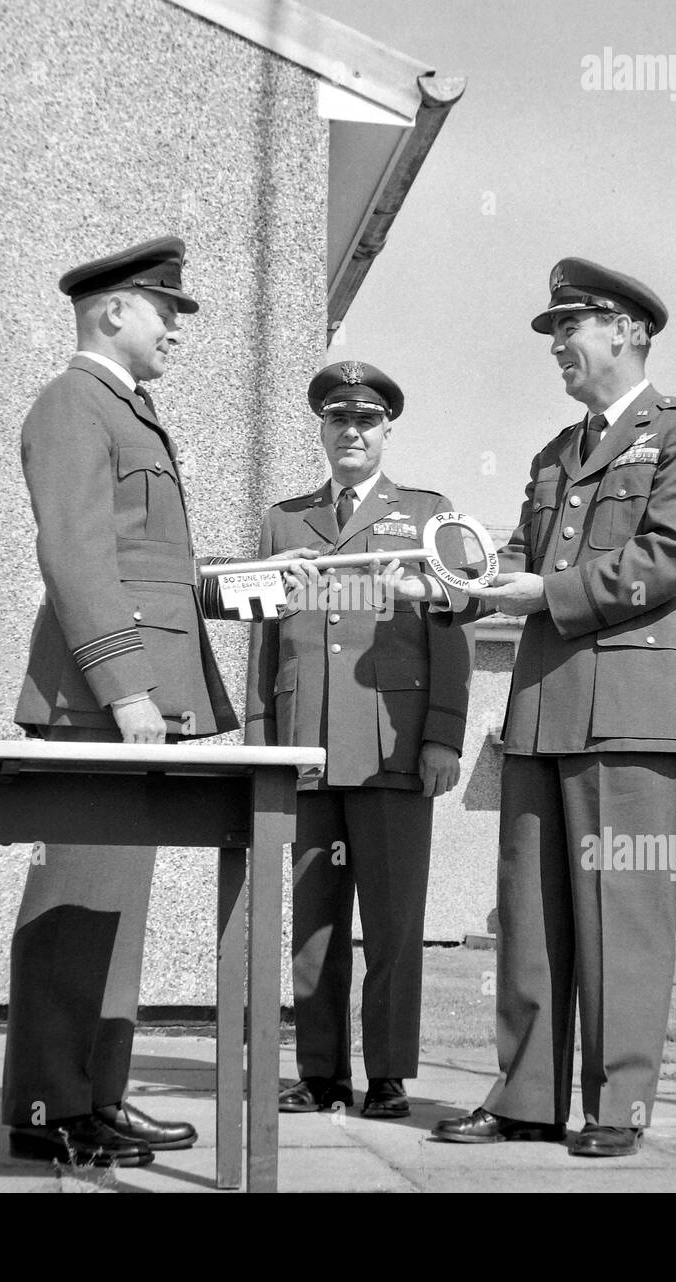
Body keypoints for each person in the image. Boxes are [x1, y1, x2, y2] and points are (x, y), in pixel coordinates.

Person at [395, 258, 676, 1156]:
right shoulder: (555, 453)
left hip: (634, 712)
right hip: (544, 710)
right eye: (552, 332)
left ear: (625, 330)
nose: (557, 347)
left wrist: (544, 592)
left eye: (569, 328)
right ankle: (526, 1100)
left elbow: (668, 558)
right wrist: (450, 589)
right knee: (530, 917)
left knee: (624, 914)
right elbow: (512, 561)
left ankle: (619, 1108)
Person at [3, 236, 238, 1167]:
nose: (177, 329)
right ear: (112, 311)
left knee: (114, 914)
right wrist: (126, 686)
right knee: (76, 905)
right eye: (166, 310)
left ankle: (92, 1097)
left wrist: (245, 581)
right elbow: (75, 556)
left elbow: (148, 563)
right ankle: (47, 1109)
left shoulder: (124, 408)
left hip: (133, 704)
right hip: (102, 703)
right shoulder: (72, 404)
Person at [244, 361, 474, 1120]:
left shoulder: (428, 516)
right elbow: (265, 645)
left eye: (366, 421)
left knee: (394, 925)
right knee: (313, 925)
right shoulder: (285, 522)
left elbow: (452, 631)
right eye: (338, 419)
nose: (352, 432)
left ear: (386, 431)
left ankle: (388, 1077)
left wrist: (442, 737)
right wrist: (261, 749)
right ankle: (320, 1074)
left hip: (390, 752)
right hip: (306, 747)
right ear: (322, 430)